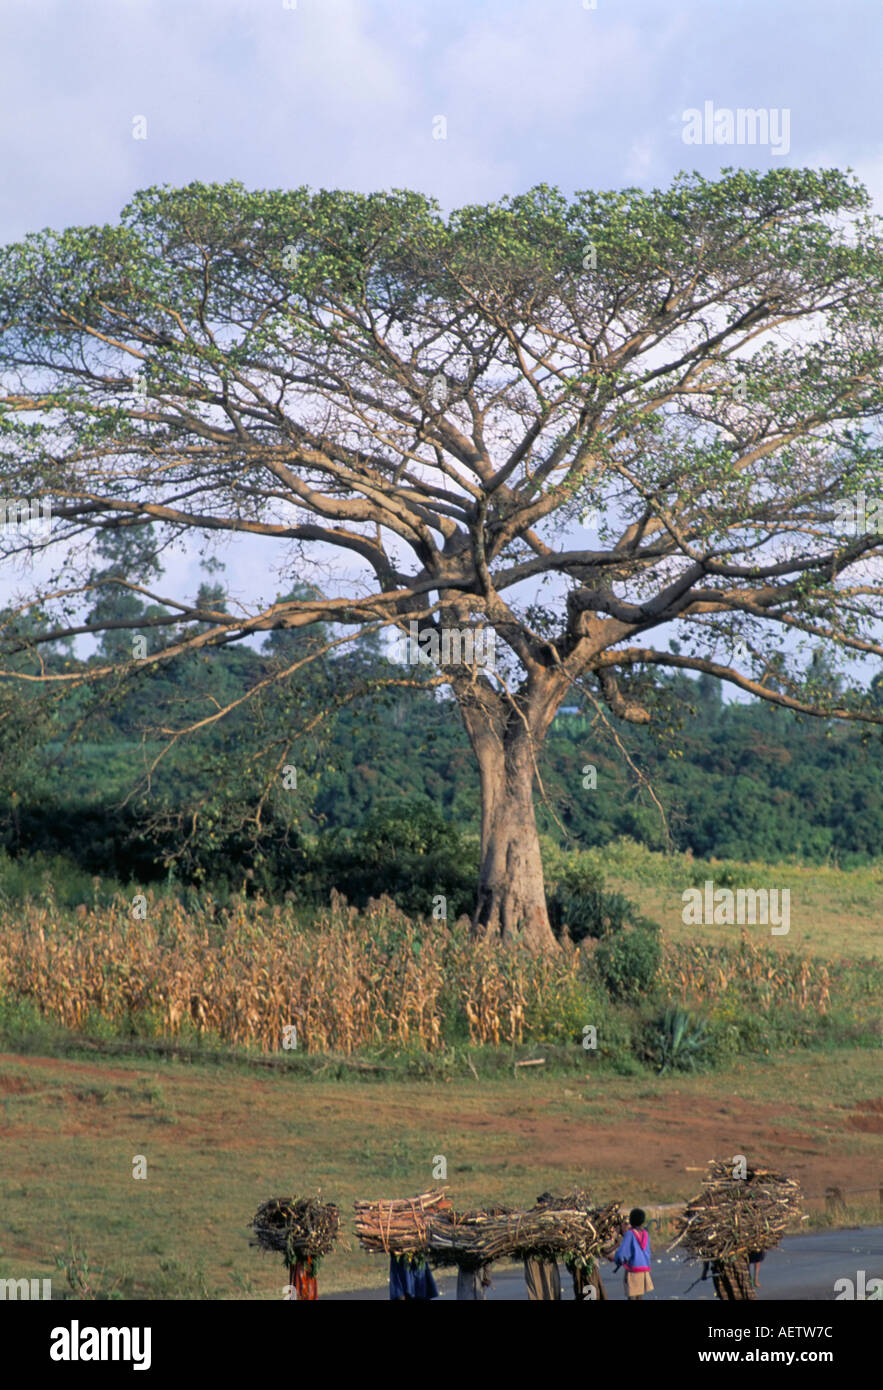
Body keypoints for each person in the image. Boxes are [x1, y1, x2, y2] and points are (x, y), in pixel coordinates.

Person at [523, 1193, 562, 1300]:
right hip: (532, 1258)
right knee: (537, 1289)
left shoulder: (553, 1219)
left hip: (547, 1257)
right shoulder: (530, 1218)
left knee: (552, 1287)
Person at [611, 1207, 654, 1300]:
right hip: (644, 1270)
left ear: (631, 1220)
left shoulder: (630, 1234)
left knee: (632, 1296)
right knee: (640, 1296)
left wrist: (617, 1260)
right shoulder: (646, 1234)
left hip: (633, 1270)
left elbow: (623, 1253)